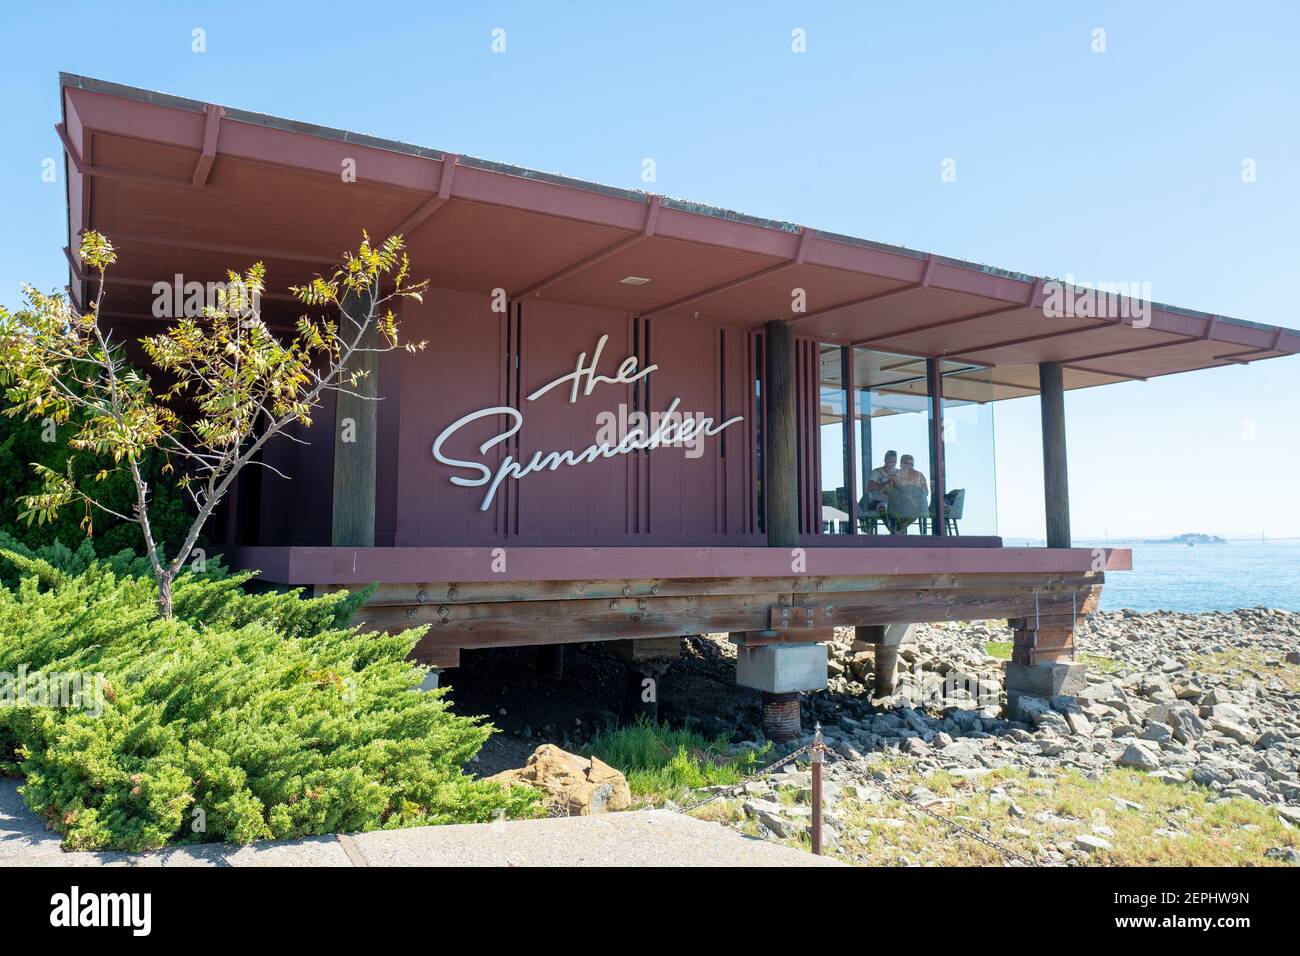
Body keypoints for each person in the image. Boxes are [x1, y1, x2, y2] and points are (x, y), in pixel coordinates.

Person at [889, 453, 930, 533]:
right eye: (906, 463)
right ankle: (899, 529)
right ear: (901, 464)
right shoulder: (919, 475)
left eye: (911, 464)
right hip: (916, 508)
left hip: (906, 508)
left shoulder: (895, 475)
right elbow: (926, 492)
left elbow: (890, 491)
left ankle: (898, 530)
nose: (909, 466)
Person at [860, 450, 898, 532]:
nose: (892, 464)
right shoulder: (877, 472)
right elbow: (870, 487)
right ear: (885, 460)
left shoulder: (898, 473)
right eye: (890, 461)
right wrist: (886, 483)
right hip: (878, 501)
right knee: (883, 507)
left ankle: (900, 531)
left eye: (895, 461)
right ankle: (892, 530)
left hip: (895, 501)